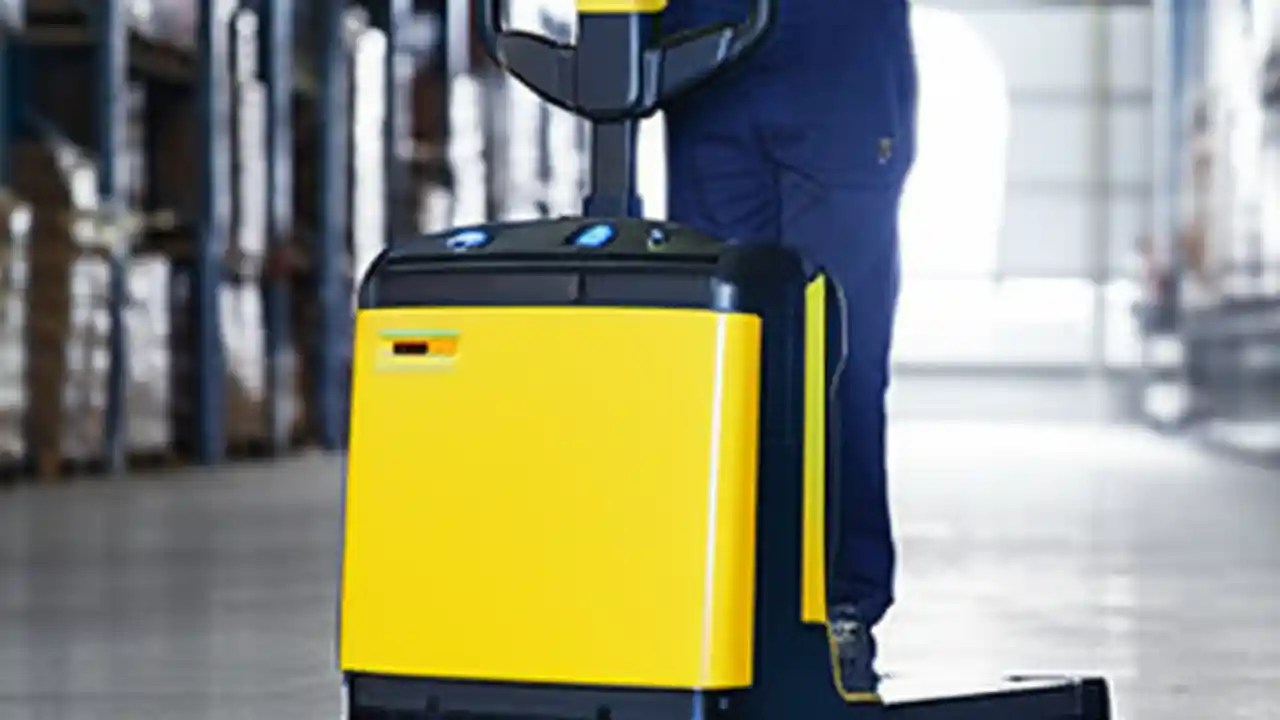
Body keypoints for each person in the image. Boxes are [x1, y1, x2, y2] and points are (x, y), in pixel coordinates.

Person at [660, 0, 918, 700]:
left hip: (836, 59)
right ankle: (727, 587)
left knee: (839, 350)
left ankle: (841, 603)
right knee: (717, 341)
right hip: (706, 59)